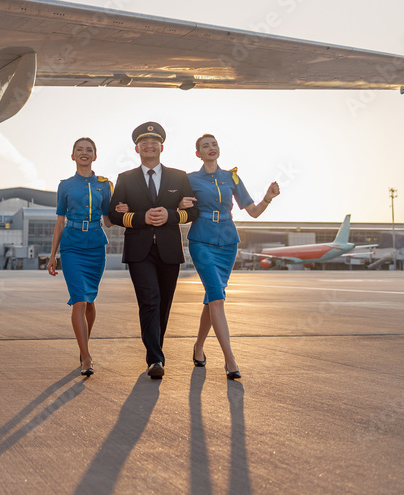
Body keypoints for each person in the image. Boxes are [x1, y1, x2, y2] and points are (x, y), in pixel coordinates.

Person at [108, 122, 197, 379]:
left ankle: (156, 351)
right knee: (150, 300)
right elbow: (113, 214)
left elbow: (193, 211)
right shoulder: (125, 178)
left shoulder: (180, 177)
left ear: (162, 146)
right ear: (137, 148)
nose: (149, 145)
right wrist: (140, 218)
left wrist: (170, 214)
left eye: (154, 141)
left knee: (164, 305)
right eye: (144, 142)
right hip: (139, 250)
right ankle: (155, 359)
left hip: (169, 249)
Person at [187, 133, 280, 379]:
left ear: (219, 149)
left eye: (214, 144)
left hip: (228, 242)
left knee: (213, 297)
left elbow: (254, 212)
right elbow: (179, 206)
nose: (211, 148)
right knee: (217, 298)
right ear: (198, 154)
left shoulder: (232, 178)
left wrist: (267, 199)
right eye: (205, 146)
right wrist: (181, 205)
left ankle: (198, 348)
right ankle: (230, 360)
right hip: (201, 241)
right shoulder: (190, 179)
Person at [47, 137, 113, 377]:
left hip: (96, 245)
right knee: (79, 299)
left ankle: (84, 344)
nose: (84, 153)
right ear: (72, 155)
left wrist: (123, 213)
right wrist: (52, 255)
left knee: (90, 300)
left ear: (95, 155)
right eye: (79, 150)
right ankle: (86, 356)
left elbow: (108, 220)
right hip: (72, 247)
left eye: (89, 150)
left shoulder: (105, 185)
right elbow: (59, 222)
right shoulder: (65, 186)